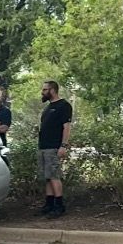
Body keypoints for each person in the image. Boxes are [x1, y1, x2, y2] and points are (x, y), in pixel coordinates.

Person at [37, 79, 73, 217]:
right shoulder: (47, 107)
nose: (43, 92)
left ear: (53, 90)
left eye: (45, 89)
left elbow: (66, 127)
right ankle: (49, 204)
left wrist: (63, 145)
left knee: (54, 175)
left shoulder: (63, 106)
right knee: (47, 177)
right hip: (43, 146)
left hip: (54, 146)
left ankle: (59, 205)